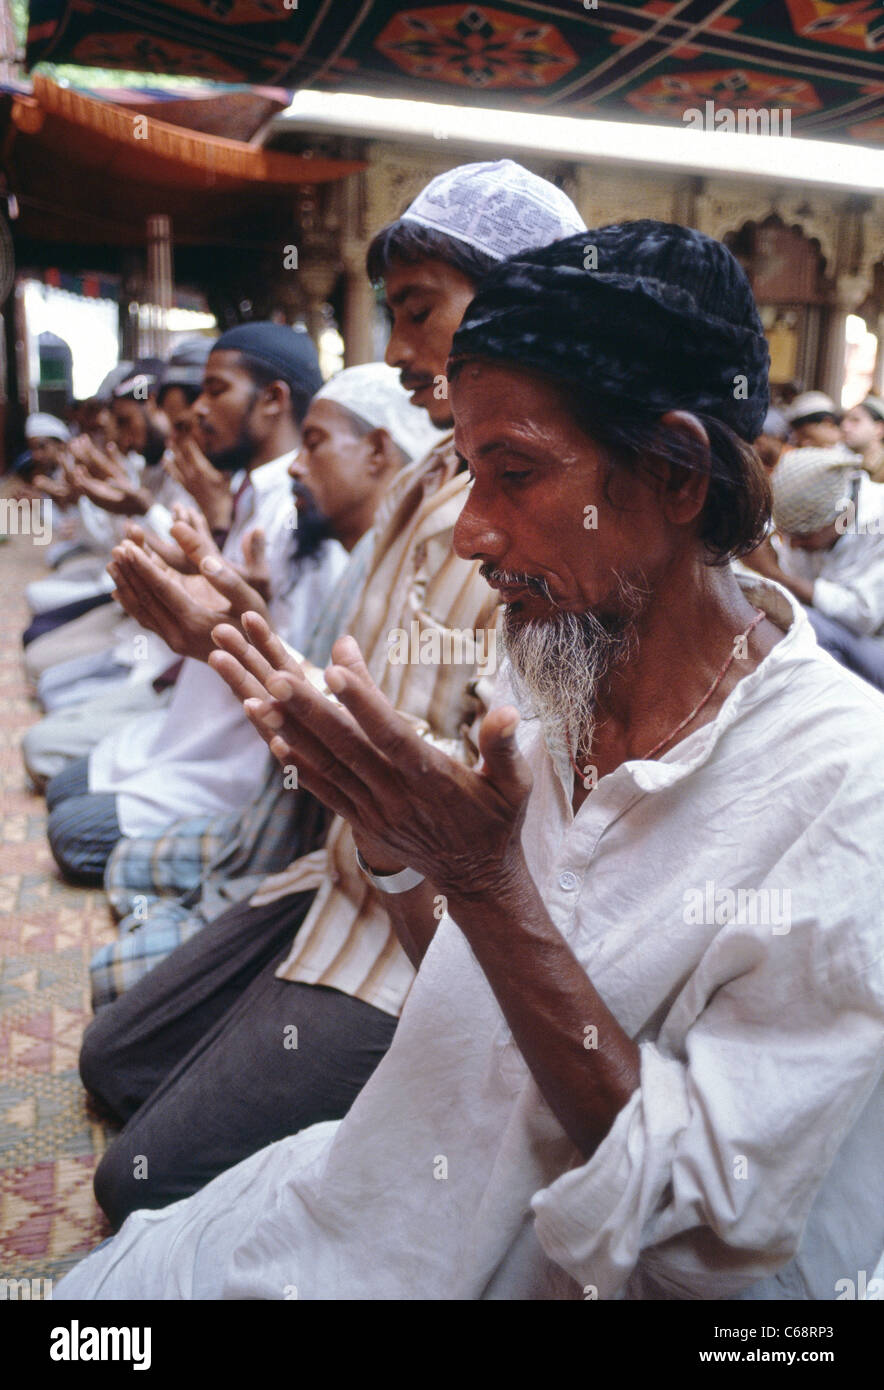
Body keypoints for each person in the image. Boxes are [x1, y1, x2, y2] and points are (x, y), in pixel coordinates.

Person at [57, 221, 884, 1302]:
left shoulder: (841, 790)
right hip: (378, 1198)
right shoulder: (555, 666)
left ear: (677, 471)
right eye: (465, 467)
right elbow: (462, 987)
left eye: (514, 473)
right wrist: (400, 852)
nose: (471, 530)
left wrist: (489, 887)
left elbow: (691, 1245)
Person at [74, 161, 585, 1227]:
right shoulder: (421, 480)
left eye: (417, 314)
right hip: (340, 867)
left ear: (527, 305)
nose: (396, 353)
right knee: (116, 1053)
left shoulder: (555, 522)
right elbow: (358, 684)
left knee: (139, 1180)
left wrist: (236, 646)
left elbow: (474, 783)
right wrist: (237, 632)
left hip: (430, 938)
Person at [44, 323, 344, 882]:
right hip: (189, 723)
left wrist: (223, 625)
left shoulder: (294, 508)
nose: (202, 411)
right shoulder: (249, 490)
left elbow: (301, 665)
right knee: (63, 785)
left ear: (274, 400)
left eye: (216, 390)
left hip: (240, 761)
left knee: (70, 830)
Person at [742, 445, 884, 690]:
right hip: (849, 638)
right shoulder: (807, 518)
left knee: (809, 628)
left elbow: (863, 616)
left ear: (838, 520)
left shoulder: (877, 521)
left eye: (803, 536)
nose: (794, 545)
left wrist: (775, 573)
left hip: (875, 643)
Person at [841, 394, 884, 483]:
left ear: (879, 429)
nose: (845, 427)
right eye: (844, 420)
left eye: (855, 420)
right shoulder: (844, 465)